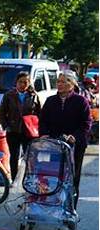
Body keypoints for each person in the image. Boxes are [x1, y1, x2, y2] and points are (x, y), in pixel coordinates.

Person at [39, 71, 92, 209]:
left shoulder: (81, 101)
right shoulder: (51, 100)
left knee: (73, 178)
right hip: (53, 144)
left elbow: (86, 123)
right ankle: (50, 204)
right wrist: (44, 134)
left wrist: (75, 136)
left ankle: (70, 209)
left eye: (64, 81)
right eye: (58, 81)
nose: (60, 84)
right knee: (51, 175)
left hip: (75, 145)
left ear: (72, 84)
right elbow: (43, 120)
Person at [0, 71, 41, 181]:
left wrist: (37, 129)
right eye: (20, 82)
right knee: (14, 156)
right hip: (13, 130)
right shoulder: (9, 95)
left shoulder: (33, 96)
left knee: (29, 156)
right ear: (16, 82)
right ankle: (15, 180)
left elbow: (39, 113)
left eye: (25, 82)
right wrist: (6, 126)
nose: (23, 84)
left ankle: (28, 179)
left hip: (28, 131)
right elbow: (2, 112)